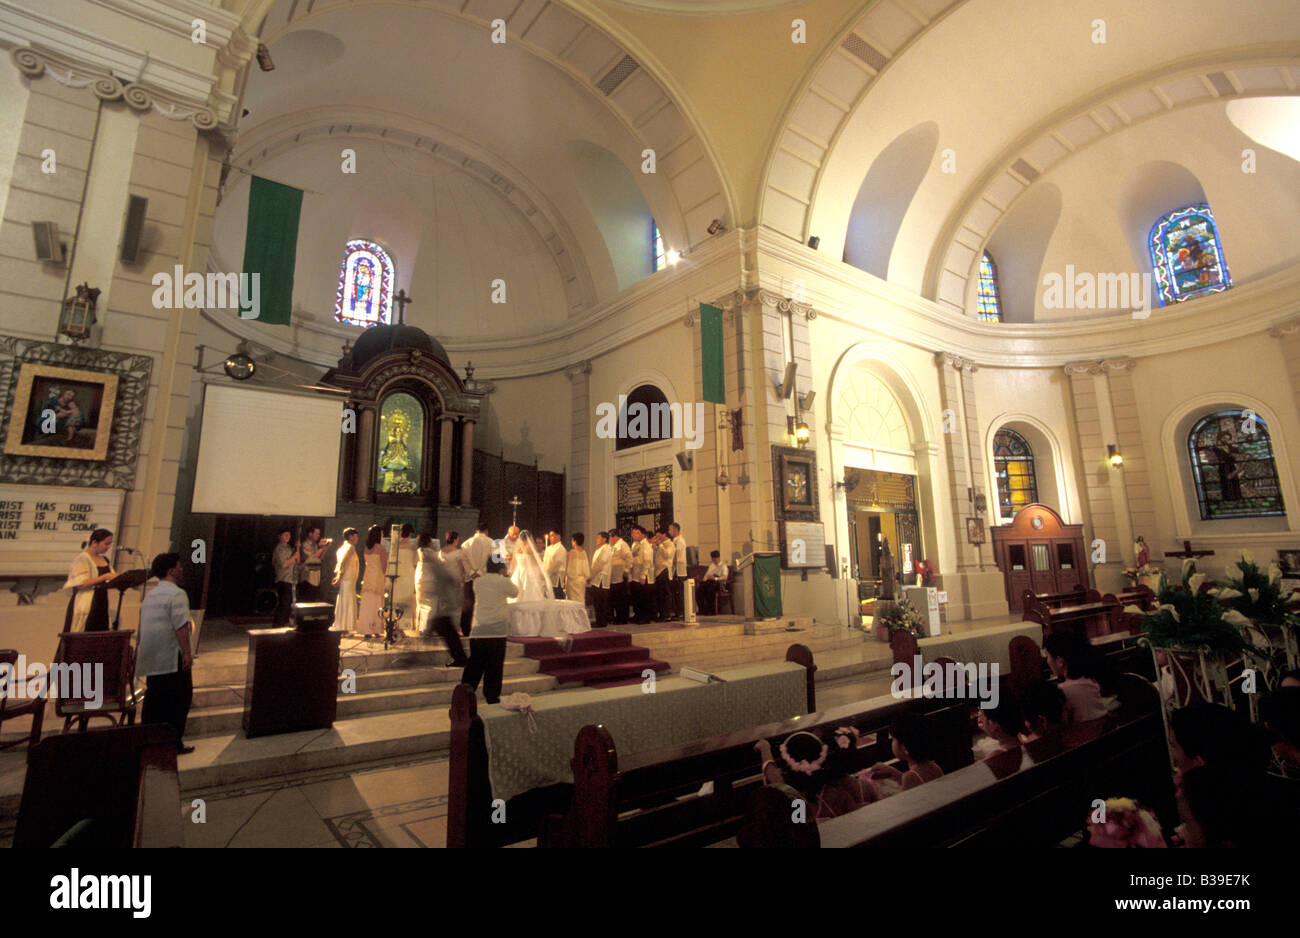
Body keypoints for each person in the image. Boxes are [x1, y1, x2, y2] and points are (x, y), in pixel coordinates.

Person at [137, 552, 195, 754]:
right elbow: (181, 626)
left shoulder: (151, 594)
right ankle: (173, 741)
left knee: (155, 699)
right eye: (179, 566)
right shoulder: (177, 594)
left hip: (153, 656)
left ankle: (150, 740)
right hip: (171, 655)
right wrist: (187, 653)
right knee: (180, 699)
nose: (181, 568)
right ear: (171, 570)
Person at [754, 730, 868, 822]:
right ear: (823, 762)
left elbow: (774, 779)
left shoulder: (792, 801)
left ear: (786, 769)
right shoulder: (840, 797)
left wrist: (765, 749)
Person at [463, 558, 518, 704]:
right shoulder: (503, 581)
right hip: (497, 632)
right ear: (501, 568)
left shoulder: (478, 582)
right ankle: (492, 699)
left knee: (474, 667)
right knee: (494, 668)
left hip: (478, 630)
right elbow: (515, 592)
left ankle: (463, 697)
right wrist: (505, 576)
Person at [416, 533, 469, 666]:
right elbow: (445, 575)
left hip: (425, 583)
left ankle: (426, 633)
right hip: (444, 590)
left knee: (441, 622)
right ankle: (459, 657)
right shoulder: (433, 555)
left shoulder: (430, 553)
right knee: (444, 624)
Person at [866, 714, 945, 795]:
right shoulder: (935, 767)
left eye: (893, 739)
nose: (892, 743)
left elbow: (903, 803)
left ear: (904, 748)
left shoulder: (910, 777)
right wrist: (894, 773)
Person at [1044, 632, 1109, 724]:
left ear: (1060, 661)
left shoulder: (1060, 692)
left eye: (1047, 656)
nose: (1047, 661)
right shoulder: (1092, 683)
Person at [63, 528, 117, 632]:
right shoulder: (82, 559)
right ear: (94, 542)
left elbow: (112, 577)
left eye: (110, 544)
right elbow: (80, 584)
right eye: (106, 544)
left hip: (101, 602)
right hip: (86, 602)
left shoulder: (104, 559)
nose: (109, 547)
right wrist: (104, 577)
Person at [461, 522, 495, 634]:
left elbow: (464, 560)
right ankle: (482, 629)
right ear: (486, 531)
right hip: (484, 577)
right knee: (483, 604)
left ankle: (466, 630)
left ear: (476, 531)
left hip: (470, 578)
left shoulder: (466, 543)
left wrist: (472, 572)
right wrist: (480, 572)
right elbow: (492, 561)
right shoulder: (491, 542)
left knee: (468, 604)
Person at [357, 525, 388, 639]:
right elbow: (384, 567)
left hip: (368, 576)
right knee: (377, 603)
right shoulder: (381, 548)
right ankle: (375, 629)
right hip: (377, 577)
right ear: (378, 535)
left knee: (367, 603)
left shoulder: (367, 548)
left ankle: (366, 630)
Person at [439, 531, 471, 637]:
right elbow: (461, 568)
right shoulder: (458, 552)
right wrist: (463, 580)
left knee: (445, 605)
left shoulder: (440, 552)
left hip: (444, 581)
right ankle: (456, 628)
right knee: (456, 606)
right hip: (455, 581)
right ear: (455, 540)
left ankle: (445, 628)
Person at [508, 530, 551, 603]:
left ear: (520, 538)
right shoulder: (531, 549)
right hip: (528, 572)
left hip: (519, 571)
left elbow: (514, 563)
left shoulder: (517, 549)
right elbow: (535, 563)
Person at [332, 527, 360, 633]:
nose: (357, 538)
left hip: (347, 579)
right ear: (351, 537)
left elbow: (340, 563)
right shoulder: (349, 548)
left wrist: (338, 575)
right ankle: (344, 628)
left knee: (344, 600)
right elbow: (343, 562)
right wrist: (339, 576)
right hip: (347, 579)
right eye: (356, 536)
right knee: (346, 601)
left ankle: (342, 626)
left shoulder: (342, 548)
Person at [391, 524, 418, 626]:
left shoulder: (395, 545)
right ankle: (403, 625)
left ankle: (394, 624)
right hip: (408, 575)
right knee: (406, 601)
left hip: (397, 575)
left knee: (396, 600)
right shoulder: (412, 546)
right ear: (410, 533)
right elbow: (415, 562)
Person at [272, 527, 299, 626]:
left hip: (291, 579)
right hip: (283, 579)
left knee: (288, 605)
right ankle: (277, 625)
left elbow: (297, 561)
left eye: (289, 535)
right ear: (279, 536)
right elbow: (283, 564)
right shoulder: (279, 549)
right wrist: (293, 557)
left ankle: (284, 624)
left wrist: (297, 548)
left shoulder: (289, 548)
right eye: (285, 535)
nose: (288, 537)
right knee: (283, 604)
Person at [297, 526, 330, 603]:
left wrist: (325, 549)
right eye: (316, 534)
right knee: (306, 600)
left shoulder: (315, 545)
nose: (318, 536)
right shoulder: (305, 544)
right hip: (307, 577)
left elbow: (319, 559)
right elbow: (311, 558)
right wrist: (321, 548)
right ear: (310, 534)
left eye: (319, 534)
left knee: (313, 600)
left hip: (315, 577)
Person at [629, 526, 654, 624]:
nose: (633, 535)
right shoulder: (635, 544)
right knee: (637, 597)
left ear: (642, 534)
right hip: (635, 574)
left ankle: (645, 617)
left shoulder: (646, 545)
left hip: (643, 575)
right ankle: (637, 615)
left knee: (644, 597)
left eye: (636, 533)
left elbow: (647, 561)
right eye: (633, 533)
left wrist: (643, 575)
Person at [608, 530, 632, 624]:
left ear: (615, 536)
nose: (609, 539)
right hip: (615, 577)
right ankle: (618, 617)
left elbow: (629, 558)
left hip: (621, 576)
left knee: (621, 599)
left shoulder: (622, 545)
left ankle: (623, 618)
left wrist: (626, 570)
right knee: (616, 599)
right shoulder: (615, 546)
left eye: (610, 537)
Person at [589, 531, 612, 628]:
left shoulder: (606, 549)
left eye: (598, 538)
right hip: (596, 578)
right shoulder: (599, 550)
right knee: (597, 601)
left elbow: (600, 564)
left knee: (601, 601)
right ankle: (599, 620)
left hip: (602, 578)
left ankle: (602, 621)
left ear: (604, 539)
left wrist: (590, 575)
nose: (597, 540)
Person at [651, 530, 675, 621]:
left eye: (659, 536)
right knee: (659, 595)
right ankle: (660, 614)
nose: (657, 538)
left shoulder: (670, 544)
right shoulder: (659, 545)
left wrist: (660, 545)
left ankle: (666, 614)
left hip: (665, 570)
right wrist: (653, 545)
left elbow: (667, 555)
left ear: (664, 534)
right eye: (656, 536)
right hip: (657, 571)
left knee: (665, 594)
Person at [565, 532, 590, 612]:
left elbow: (567, 567)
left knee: (572, 601)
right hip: (581, 580)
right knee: (580, 599)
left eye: (572, 540)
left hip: (573, 581)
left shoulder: (571, 553)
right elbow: (586, 567)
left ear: (575, 541)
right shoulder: (584, 552)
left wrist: (565, 576)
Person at [669, 522, 688, 620]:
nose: (669, 532)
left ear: (675, 530)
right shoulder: (675, 540)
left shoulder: (680, 541)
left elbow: (677, 556)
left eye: (670, 529)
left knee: (679, 593)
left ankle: (680, 613)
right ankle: (677, 612)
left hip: (679, 570)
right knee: (676, 593)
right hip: (675, 569)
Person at [699, 550, 728, 615]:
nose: (714, 560)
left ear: (718, 558)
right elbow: (706, 575)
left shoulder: (723, 565)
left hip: (719, 583)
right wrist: (705, 579)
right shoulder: (712, 565)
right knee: (699, 590)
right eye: (713, 559)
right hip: (710, 582)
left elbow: (725, 577)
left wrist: (715, 578)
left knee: (710, 589)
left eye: (715, 559)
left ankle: (711, 610)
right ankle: (702, 610)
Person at [543, 531, 567, 599]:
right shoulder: (549, 548)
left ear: (558, 536)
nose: (551, 538)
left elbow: (556, 563)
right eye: (550, 536)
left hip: (556, 578)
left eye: (553, 535)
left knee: (556, 598)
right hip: (548, 576)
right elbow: (545, 561)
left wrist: (547, 573)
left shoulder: (560, 548)